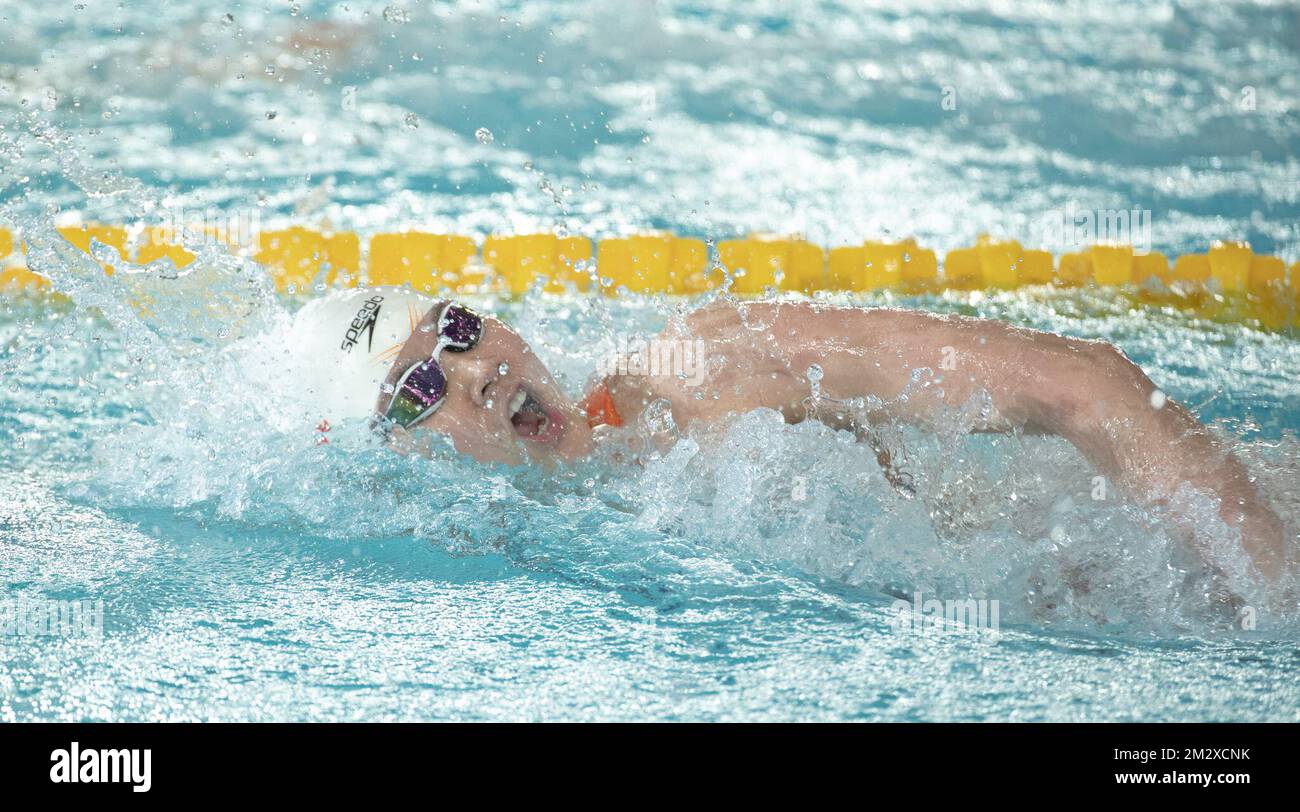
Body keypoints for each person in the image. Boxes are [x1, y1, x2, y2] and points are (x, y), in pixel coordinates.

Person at [288, 286, 1291, 582]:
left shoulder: (702, 366)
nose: (480, 369)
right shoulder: (511, 568)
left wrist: (1273, 599)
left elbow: (1092, 383)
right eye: (425, 383)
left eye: (459, 329)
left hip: (1213, 539)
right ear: (400, 456)